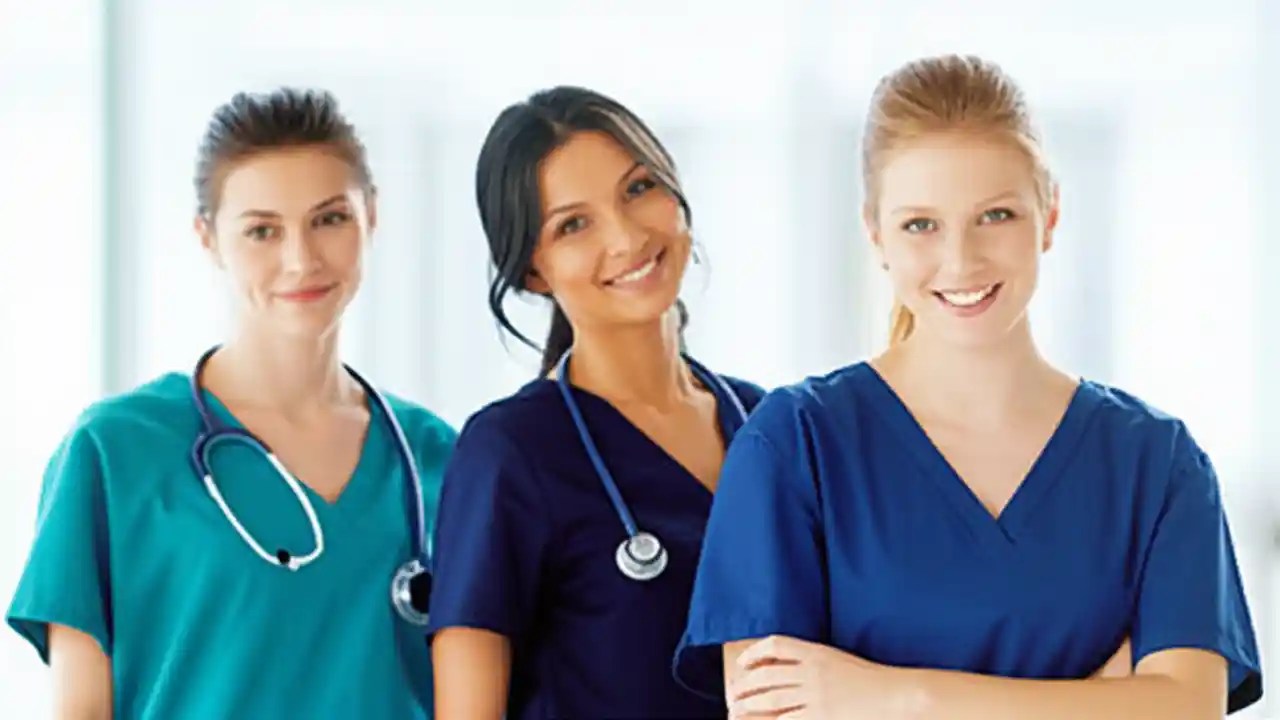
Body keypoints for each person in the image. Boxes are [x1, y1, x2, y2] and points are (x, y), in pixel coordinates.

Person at [674, 54, 1264, 718]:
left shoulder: (1156, 462)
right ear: (876, 235)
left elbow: (1187, 709)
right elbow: (769, 710)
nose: (961, 259)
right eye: (920, 224)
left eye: (997, 216)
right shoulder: (795, 444)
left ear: (1051, 213)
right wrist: (1097, 701)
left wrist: (895, 694)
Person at [6, 87, 456, 719]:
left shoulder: (439, 456)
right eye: (262, 231)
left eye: (330, 218)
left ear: (371, 218)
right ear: (208, 238)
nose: (300, 259)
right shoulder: (115, 452)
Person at [426, 86, 766, 719]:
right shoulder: (512, 452)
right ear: (532, 270)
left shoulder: (768, 427)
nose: (627, 237)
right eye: (573, 225)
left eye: (638, 189)